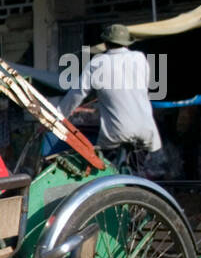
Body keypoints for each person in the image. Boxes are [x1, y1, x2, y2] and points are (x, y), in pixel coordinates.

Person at [59, 23, 162, 171]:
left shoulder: (97, 63)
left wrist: (58, 117)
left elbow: (76, 94)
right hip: (146, 130)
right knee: (137, 172)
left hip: (116, 133)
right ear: (127, 43)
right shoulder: (140, 58)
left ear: (105, 44)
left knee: (108, 172)